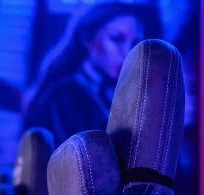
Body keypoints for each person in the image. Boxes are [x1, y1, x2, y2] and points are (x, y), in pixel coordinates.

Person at [24, 2, 161, 144]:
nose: (127, 53)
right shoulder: (65, 95)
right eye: (116, 39)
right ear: (87, 39)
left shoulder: (114, 94)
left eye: (135, 44)